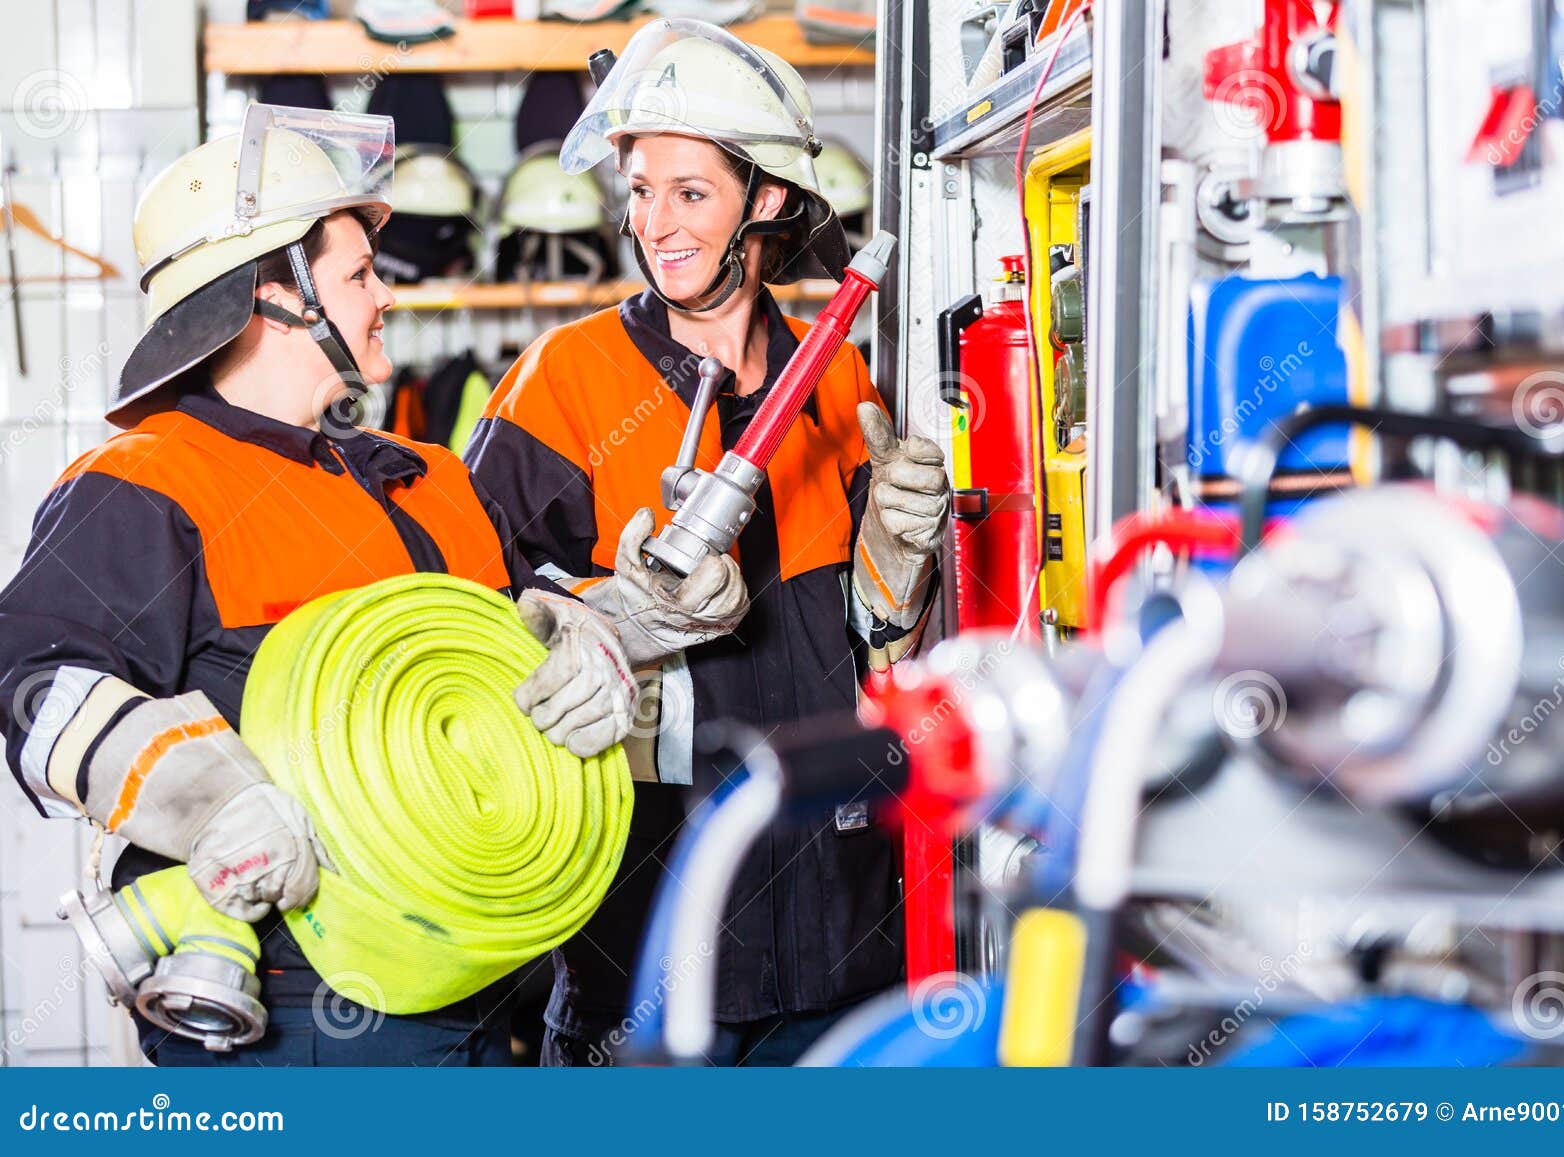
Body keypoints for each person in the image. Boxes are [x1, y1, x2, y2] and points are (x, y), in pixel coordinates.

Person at [0, 104, 637, 1066]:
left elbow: (498, 660)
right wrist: (205, 800)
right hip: (293, 1004)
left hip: (477, 973)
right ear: (273, 298)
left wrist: (590, 634)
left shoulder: (426, 474)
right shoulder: (147, 485)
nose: (386, 297)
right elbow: (35, 684)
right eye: (359, 275)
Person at [465, 20, 951, 1066]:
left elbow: (878, 647)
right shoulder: (563, 383)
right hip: (644, 945)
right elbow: (469, 628)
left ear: (765, 198)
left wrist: (899, 570)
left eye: (689, 191)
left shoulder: (838, 383)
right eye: (640, 189)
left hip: (840, 927)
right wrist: (601, 617)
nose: (656, 222)